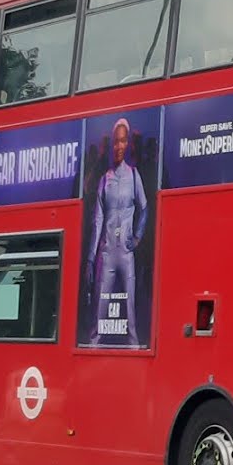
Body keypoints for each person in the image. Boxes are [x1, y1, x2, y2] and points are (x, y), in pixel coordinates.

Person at [85, 118, 148, 346]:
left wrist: (138, 237)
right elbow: (98, 220)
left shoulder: (134, 175)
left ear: (128, 143)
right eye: (115, 142)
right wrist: (91, 259)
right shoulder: (105, 180)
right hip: (107, 252)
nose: (118, 146)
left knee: (131, 310)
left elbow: (144, 207)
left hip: (126, 253)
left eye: (122, 141)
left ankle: (134, 349)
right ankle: (92, 351)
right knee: (99, 314)